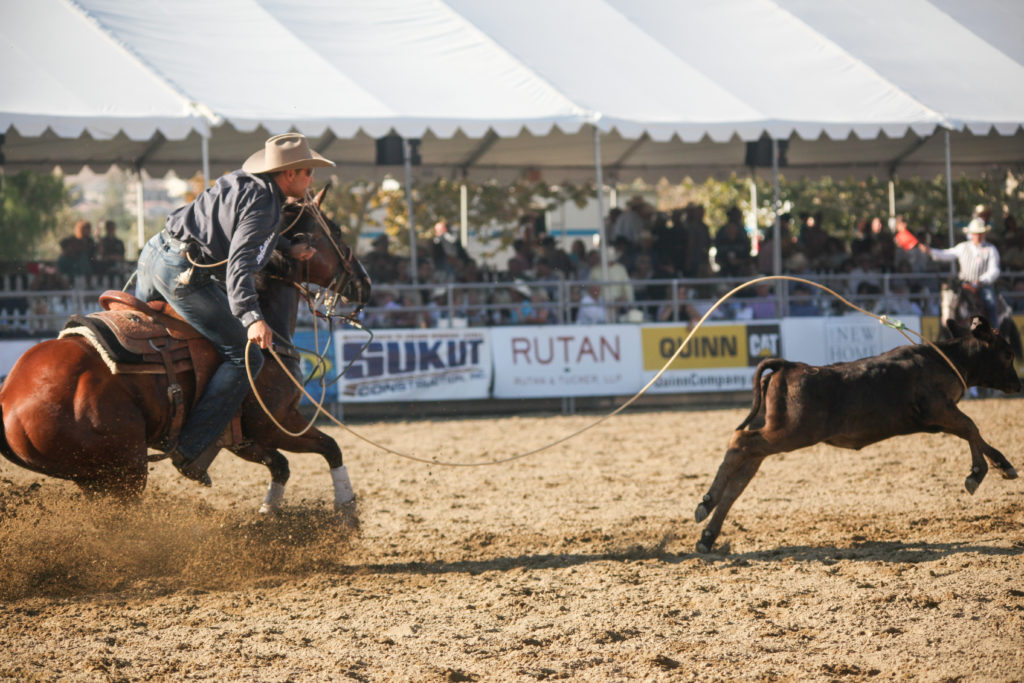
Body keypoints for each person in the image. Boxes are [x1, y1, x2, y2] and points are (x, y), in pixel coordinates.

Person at [134, 133, 333, 485]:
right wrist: (252, 317)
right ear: (288, 174)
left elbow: (240, 229)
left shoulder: (242, 182)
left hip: (154, 254)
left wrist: (286, 245)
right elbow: (241, 263)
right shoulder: (267, 205)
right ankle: (192, 448)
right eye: (307, 172)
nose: (311, 180)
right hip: (181, 273)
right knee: (245, 356)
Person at [917, 217, 1001, 323]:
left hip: (983, 285)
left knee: (991, 303)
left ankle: (994, 330)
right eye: (975, 233)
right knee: (948, 303)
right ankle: (946, 327)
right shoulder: (963, 247)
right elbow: (947, 254)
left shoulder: (991, 249)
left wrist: (981, 280)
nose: (978, 236)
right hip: (963, 284)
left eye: (980, 233)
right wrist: (930, 251)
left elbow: (994, 271)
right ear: (971, 234)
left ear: (984, 234)